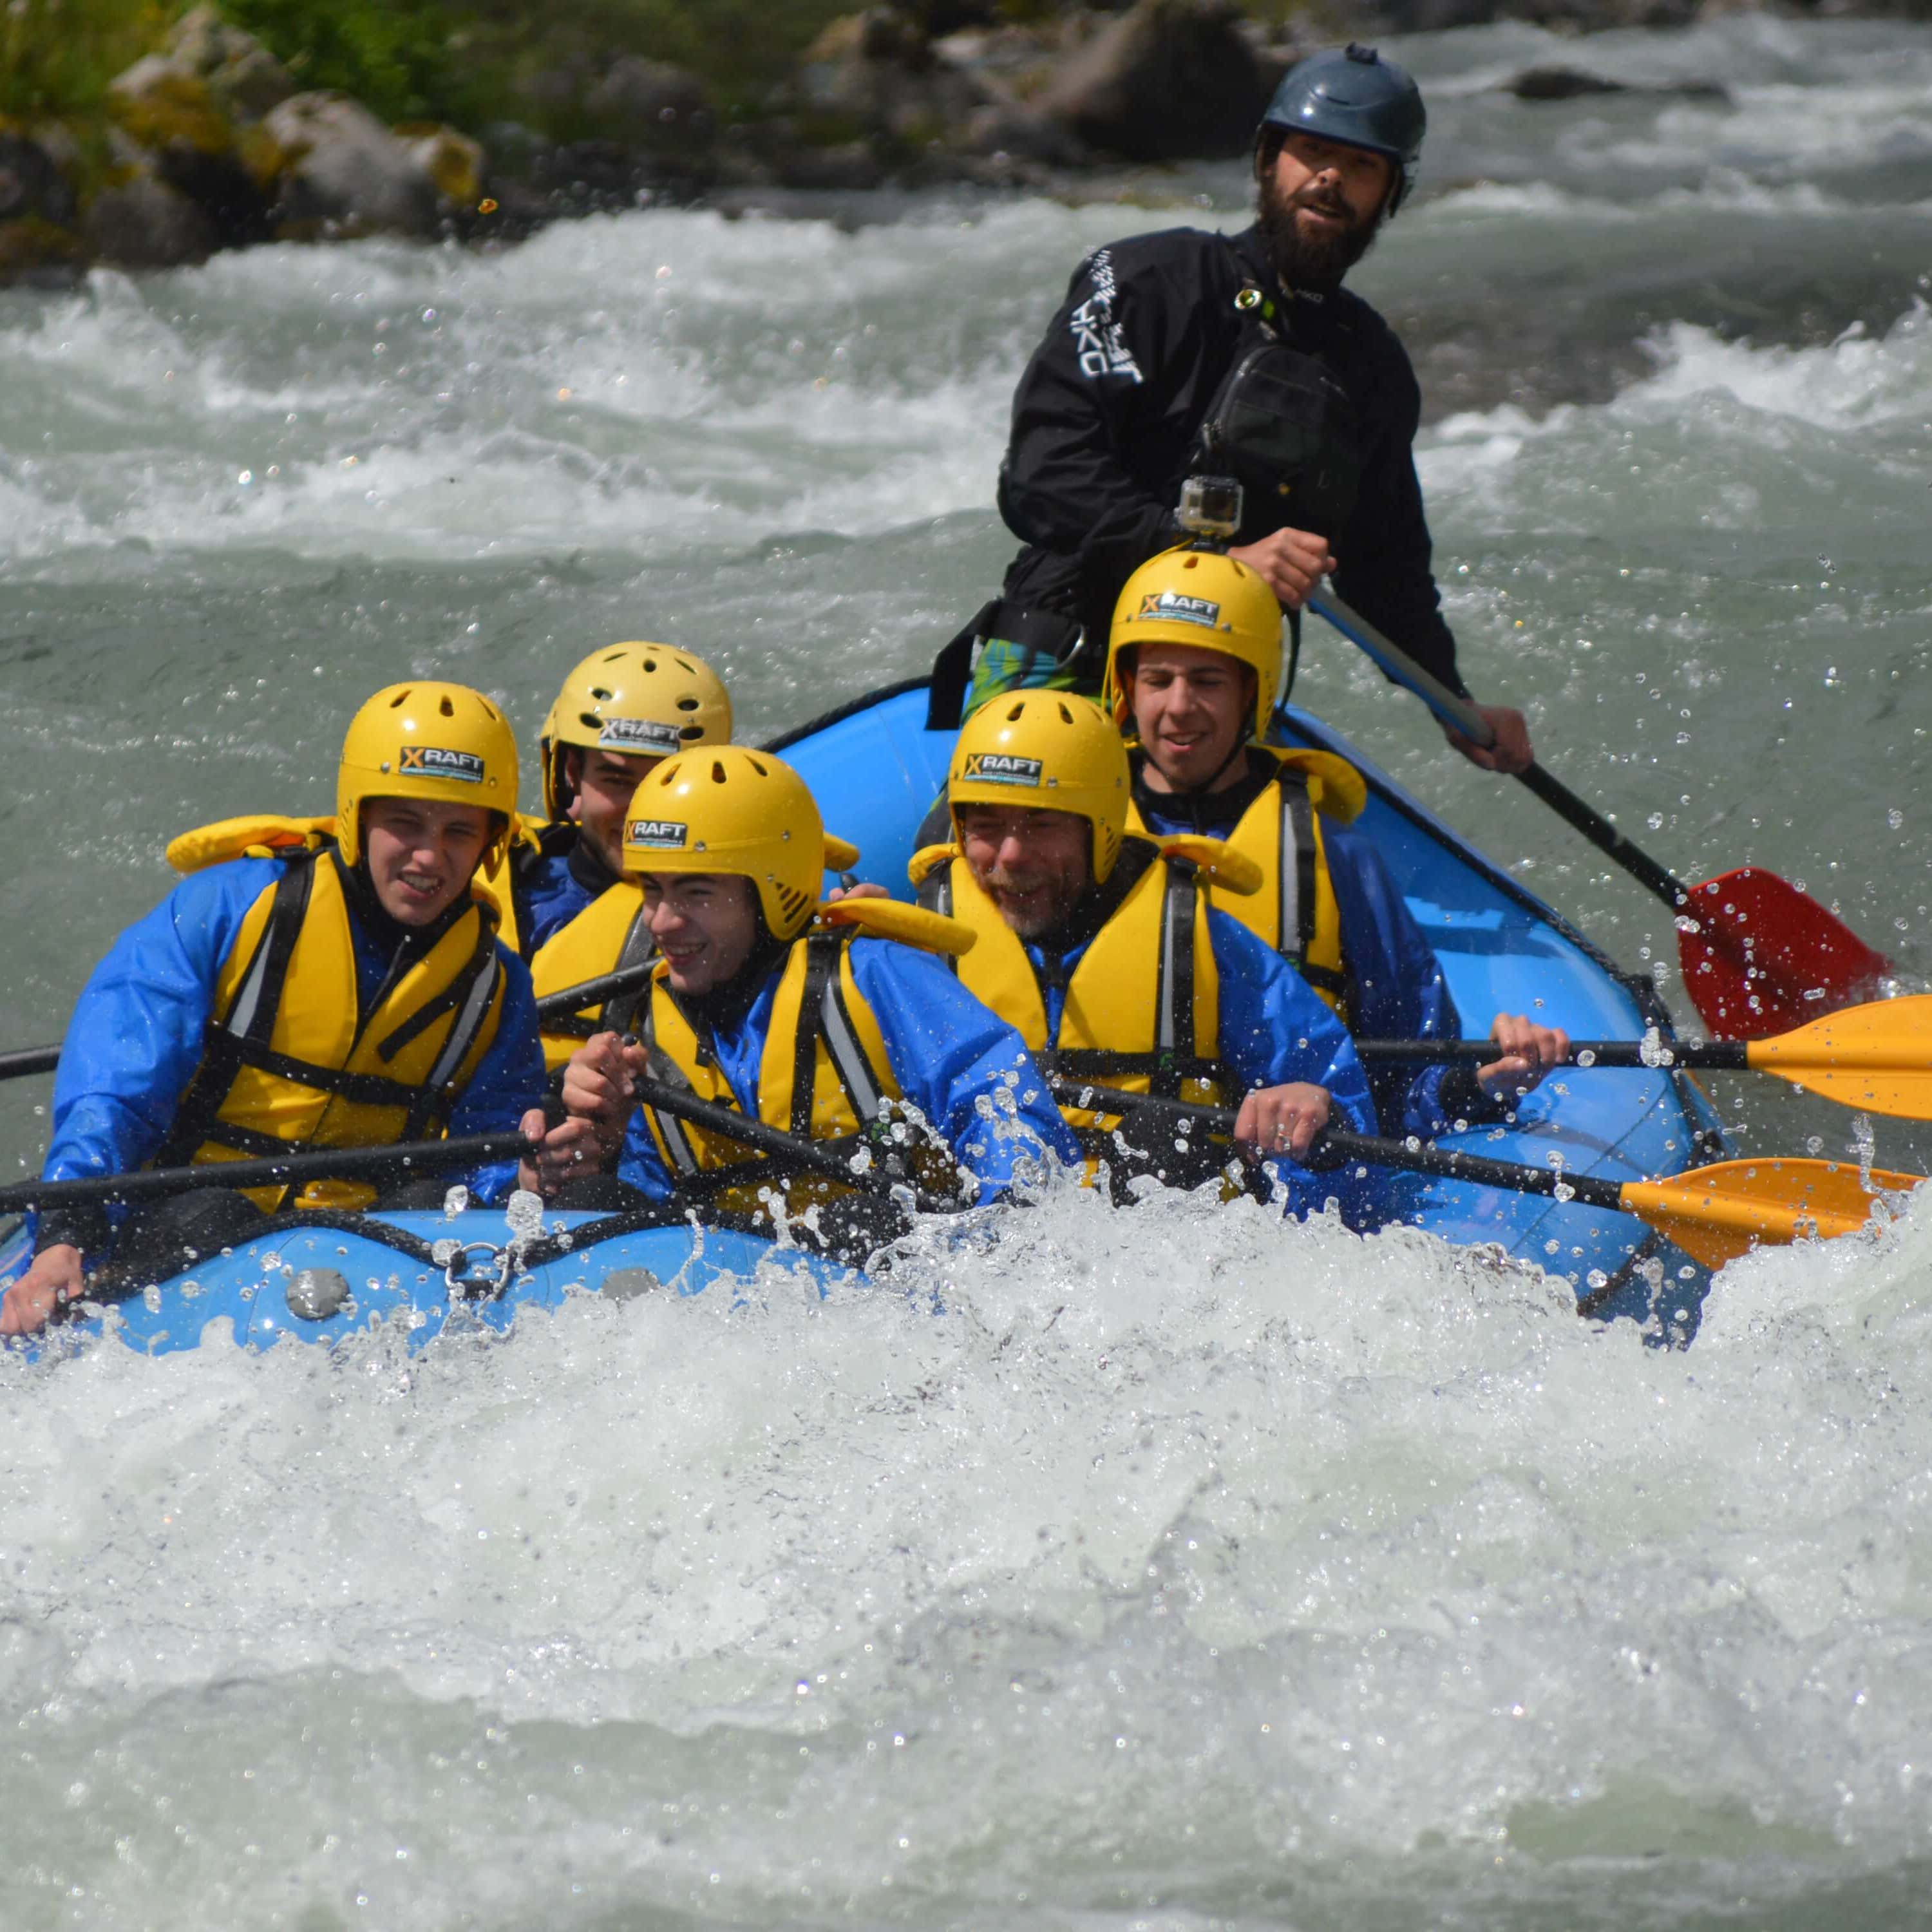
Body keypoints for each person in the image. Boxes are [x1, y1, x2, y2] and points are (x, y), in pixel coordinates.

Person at [933, 42, 1531, 776]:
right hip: (1065, 656)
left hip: (1217, 703)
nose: (1331, 178)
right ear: (1268, 161)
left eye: (1363, 165)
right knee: (1012, 861)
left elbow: (1387, 572)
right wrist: (1214, 555)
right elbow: (1041, 476)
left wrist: (1456, 702)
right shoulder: (1146, 282)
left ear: (1389, 196)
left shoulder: (1369, 363)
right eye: (1312, 151)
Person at [1, 681, 549, 1337]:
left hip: (358, 1259)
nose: (429, 856)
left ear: (492, 840)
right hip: (185, 1222)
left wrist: (523, 1172)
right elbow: (115, 1091)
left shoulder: (495, 983)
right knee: (213, 1215)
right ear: (356, 816)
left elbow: (483, 1156)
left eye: (459, 830)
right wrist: (66, 1238)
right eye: (404, 823)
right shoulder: (229, 912)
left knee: (431, 1211)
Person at [1104, 545, 1568, 1139]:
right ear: (1126, 688)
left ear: (1253, 692)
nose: (1177, 707)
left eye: (1207, 681)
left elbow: (1412, 1085)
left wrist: (1483, 1085)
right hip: (1116, 1169)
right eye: (1157, 680)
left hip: (1287, 1178)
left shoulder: (1335, 858)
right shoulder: (1065, 842)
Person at [517, 744, 1078, 1234]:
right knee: (593, 1207)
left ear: (772, 893)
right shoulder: (647, 1026)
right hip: (749, 1313)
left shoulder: (875, 975)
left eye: (696, 894)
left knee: (855, 1224)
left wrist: (1000, 1234)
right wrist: (600, 1153)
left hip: (903, 1276)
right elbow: (659, 1207)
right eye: (654, 891)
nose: (662, 923)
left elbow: (1003, 1110)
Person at [909, 690, 1380, 1216]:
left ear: (1101, 830)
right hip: (982, 1261)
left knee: (1165, 1135)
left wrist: (1317, 1117)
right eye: (987, 826)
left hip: (1159, 1256)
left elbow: (1346, 1123)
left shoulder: (1203, 943)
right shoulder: (912, 950)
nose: (1012, 856)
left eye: (1042, 825)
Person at [484, 643, 734, 1067]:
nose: (640, 811)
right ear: (570, 777)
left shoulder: (743, 915)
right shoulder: (492, 877)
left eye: (665, 783)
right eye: (617, 781)